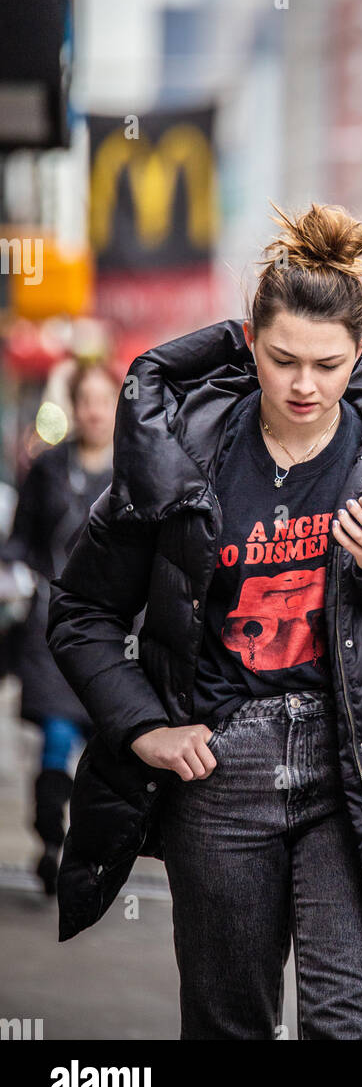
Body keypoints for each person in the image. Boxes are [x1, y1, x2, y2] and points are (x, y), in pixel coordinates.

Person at [47, 202, 362, 1041]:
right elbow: (83, 610)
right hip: (221, 768)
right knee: (224, 1027)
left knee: (345, 1030)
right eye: (283, 360)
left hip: (358, 767)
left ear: (359, 353)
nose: (305, 385)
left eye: (327, 363)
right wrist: (144, 730)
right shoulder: (176, 454)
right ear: (250, 343)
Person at [2, 361, 118, 894]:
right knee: (55, 732)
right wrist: (16, 574)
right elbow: (21, 538)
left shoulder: (141, 470)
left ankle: (90, 850)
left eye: (104, 399)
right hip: (51, 623)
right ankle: (51, 839)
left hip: (118, 630)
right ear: (73, 407)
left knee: (107, 748)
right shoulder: (49, 468)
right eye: (85, 400)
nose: (94, 410)